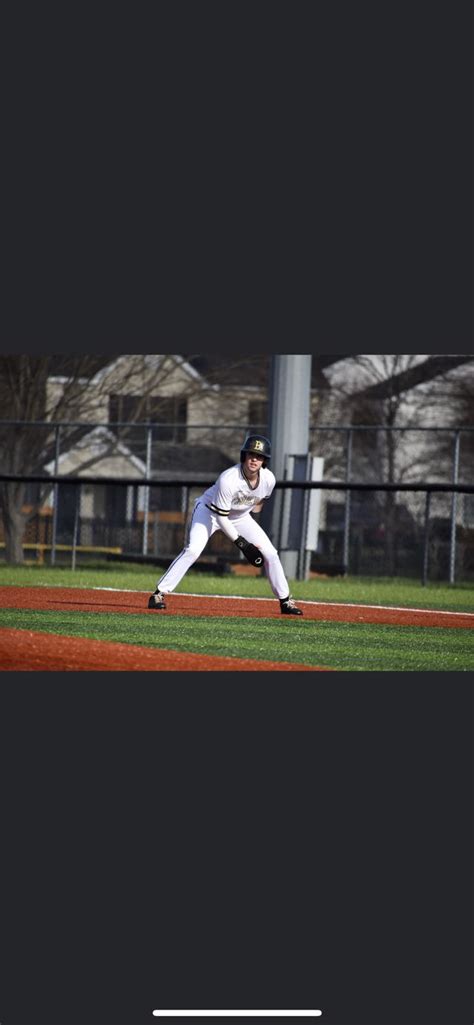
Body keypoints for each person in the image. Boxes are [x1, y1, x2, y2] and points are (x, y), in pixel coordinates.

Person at [147, 435, 303, 615]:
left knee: (271, 553)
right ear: (243, 456)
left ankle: (285, 601)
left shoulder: (269, 479)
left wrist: (253, 533)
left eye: (259, 456)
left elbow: (259, 503)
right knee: (193, 550)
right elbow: (222, 518)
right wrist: (244, 545)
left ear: (264, 461)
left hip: (240, 516)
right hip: (209, 512)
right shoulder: (228, 479)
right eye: (251, 454)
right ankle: (158, 594)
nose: (254, 459)